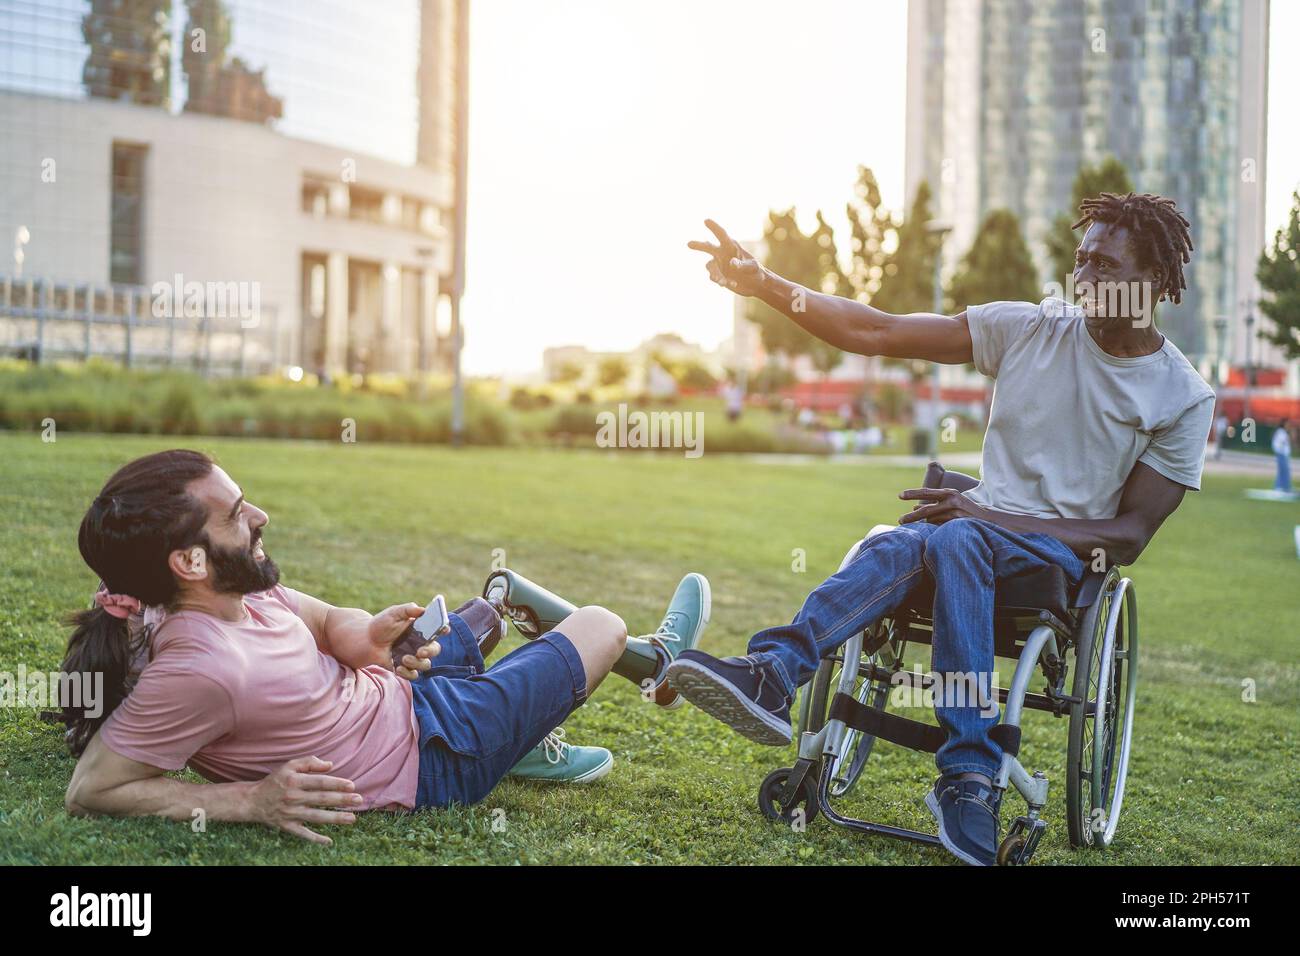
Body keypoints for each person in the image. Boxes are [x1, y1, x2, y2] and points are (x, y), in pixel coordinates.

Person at [674, 192, 1214, 865]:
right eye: (1080, 261)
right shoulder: (1028, 330)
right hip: (968, 538)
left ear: (1155, 282)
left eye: (1104, 266)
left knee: (954, 534)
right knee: (899, 540)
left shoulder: (1181, 396)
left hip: (1059, 563)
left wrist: (986, 515)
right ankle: (776, 676)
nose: (1084, 279)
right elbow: (879, 330)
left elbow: (1129, 536)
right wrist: (764, 284)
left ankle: (964, 769)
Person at [59, 449, 710, 844]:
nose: (259, 517)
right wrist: (247, 802)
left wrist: (364, 637)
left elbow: (320, 622)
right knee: (600, 624)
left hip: (395, 688)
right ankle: (651, 667)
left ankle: (534, 735)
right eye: (234, 515)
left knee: (491, 610)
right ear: (189, 563)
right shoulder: (202, 669)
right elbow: (91, 789)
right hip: (434, 754)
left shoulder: (235, 592)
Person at [1273, 419, 1293, 493]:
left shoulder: (1283, 432)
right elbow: (1278, 443)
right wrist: (1281, 452)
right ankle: (1280, 487)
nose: (1288, 426)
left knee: (1284, 471)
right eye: (1287, 424)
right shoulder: (1281, 432)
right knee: (1283, 471)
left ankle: (1285, 487)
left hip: (1283, 454)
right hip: (1281, 454)